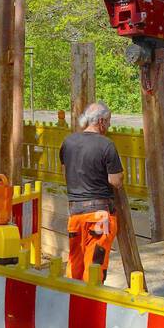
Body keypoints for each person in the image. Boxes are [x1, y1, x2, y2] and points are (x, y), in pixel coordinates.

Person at [59, 101, 124, 281]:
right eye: (109, 121)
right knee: (95, 266)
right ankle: (91, 305)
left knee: (75, 264)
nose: (109, 125)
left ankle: (71, 304)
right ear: (101, 121)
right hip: (99, 216)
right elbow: (115, 180)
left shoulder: (68, 142)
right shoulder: (106, 145)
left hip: (75, 215)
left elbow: (65, 170)